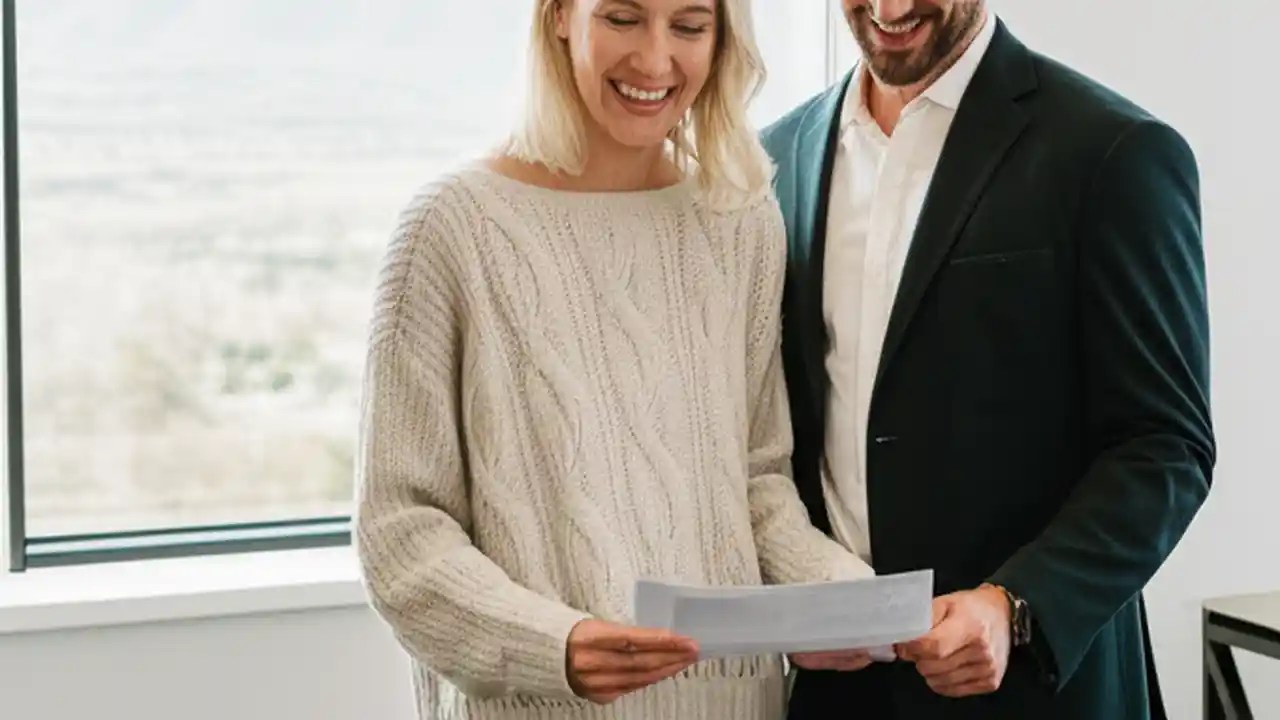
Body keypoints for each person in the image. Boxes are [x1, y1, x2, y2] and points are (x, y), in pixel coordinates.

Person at [352, 1, 875, 718]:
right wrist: (555, 646)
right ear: (562, 15)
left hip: (732, 705)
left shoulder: (741, 221)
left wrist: (842, 594)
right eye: (624, 18)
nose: (656, 62)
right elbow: (400, 533)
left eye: (689, 27)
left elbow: (755, 480)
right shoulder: (452, 230)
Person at [759, 1, 1215, 718]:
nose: (890, 9)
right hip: (837, 693)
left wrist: (1016, 606)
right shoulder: (772, 160)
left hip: (1040, 689)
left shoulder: (1113, 150)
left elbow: (1165, 447)